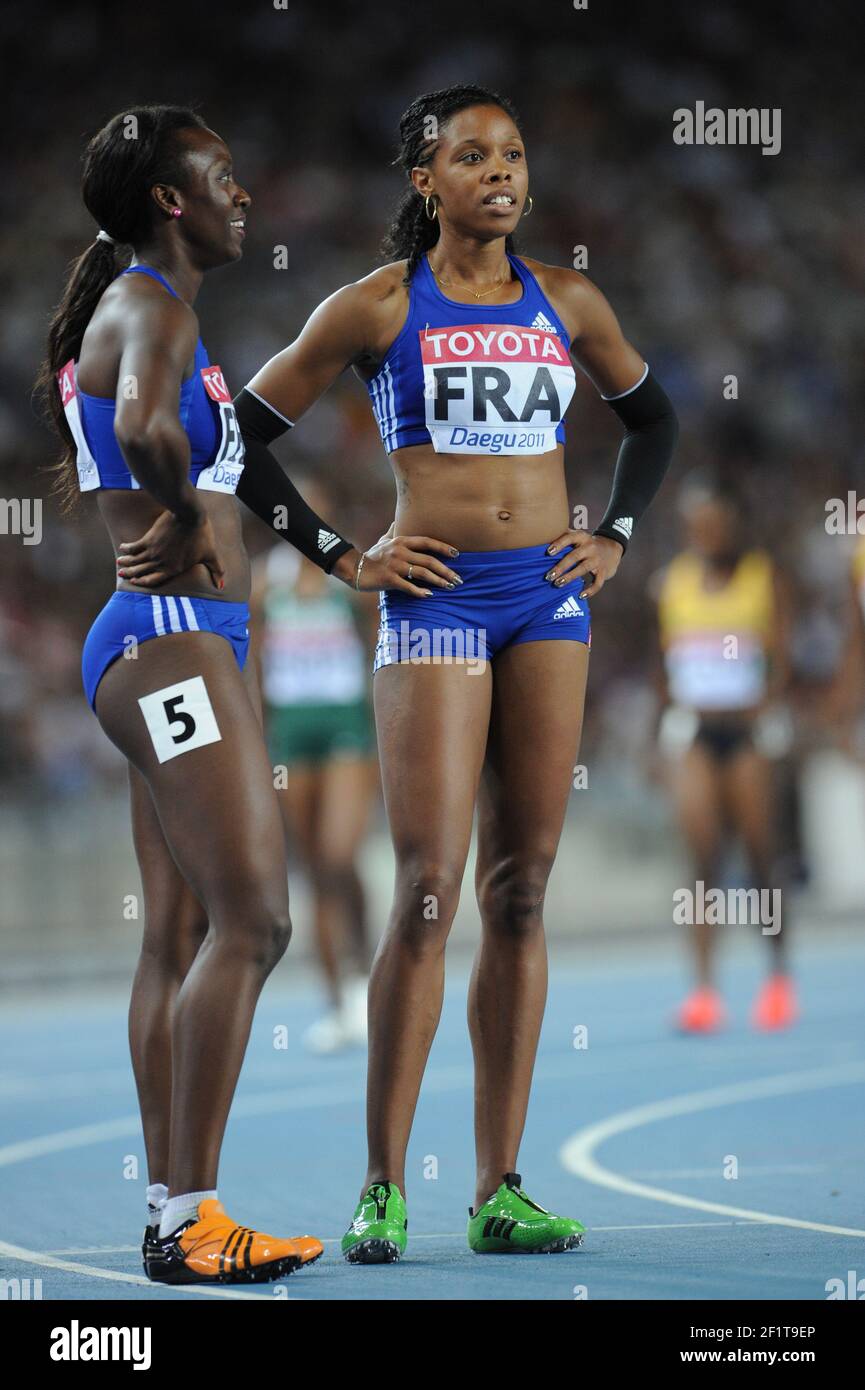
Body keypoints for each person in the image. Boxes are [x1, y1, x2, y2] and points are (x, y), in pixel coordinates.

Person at [125, 83, 677, 1263]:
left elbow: (656, 420)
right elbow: (238, 442)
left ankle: (500, 1186)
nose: (502, 173)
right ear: (422, 179)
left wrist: (615, 534)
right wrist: (343, 554)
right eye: (472, 156)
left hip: (548, 601)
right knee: (427, 890)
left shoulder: (566, 298)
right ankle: (382, 1184)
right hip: (434, 605)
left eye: (514, 154)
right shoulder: (375, 305)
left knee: (520, 893)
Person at [36, 104, 450, 1283]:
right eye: (222, 176)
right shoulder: (152, 308)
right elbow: (156, 431)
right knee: (256, 920)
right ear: (171, 200)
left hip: (161, 639)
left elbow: (230, 456)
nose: (243, 195)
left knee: (175, 932)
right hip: (171, 637)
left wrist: (340, 555)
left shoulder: (148, 311)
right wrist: (174, 516)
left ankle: (175, 1208)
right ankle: (188, 1219)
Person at [651, 472, 797, 1032]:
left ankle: (778, 975)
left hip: (749, 734)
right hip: (693, 733)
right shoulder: (672, 584)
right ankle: (705, 991)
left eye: (715, 524)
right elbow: (659, 665)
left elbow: (781, 657)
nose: (706, 534)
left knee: (761, 856)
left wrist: (768, 707)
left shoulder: (764, 578)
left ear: (732, 525)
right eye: (697, 526)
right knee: (702, 857)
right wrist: (660, 732)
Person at [249, 492, 378, 1054]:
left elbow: (381, 648)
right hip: (291, 736)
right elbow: (250, 667)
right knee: (313, 871)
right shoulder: (262, 585)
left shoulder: (350, 576)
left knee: (338, 855)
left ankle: (366, 975)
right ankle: (337, 1000)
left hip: (347, 726)